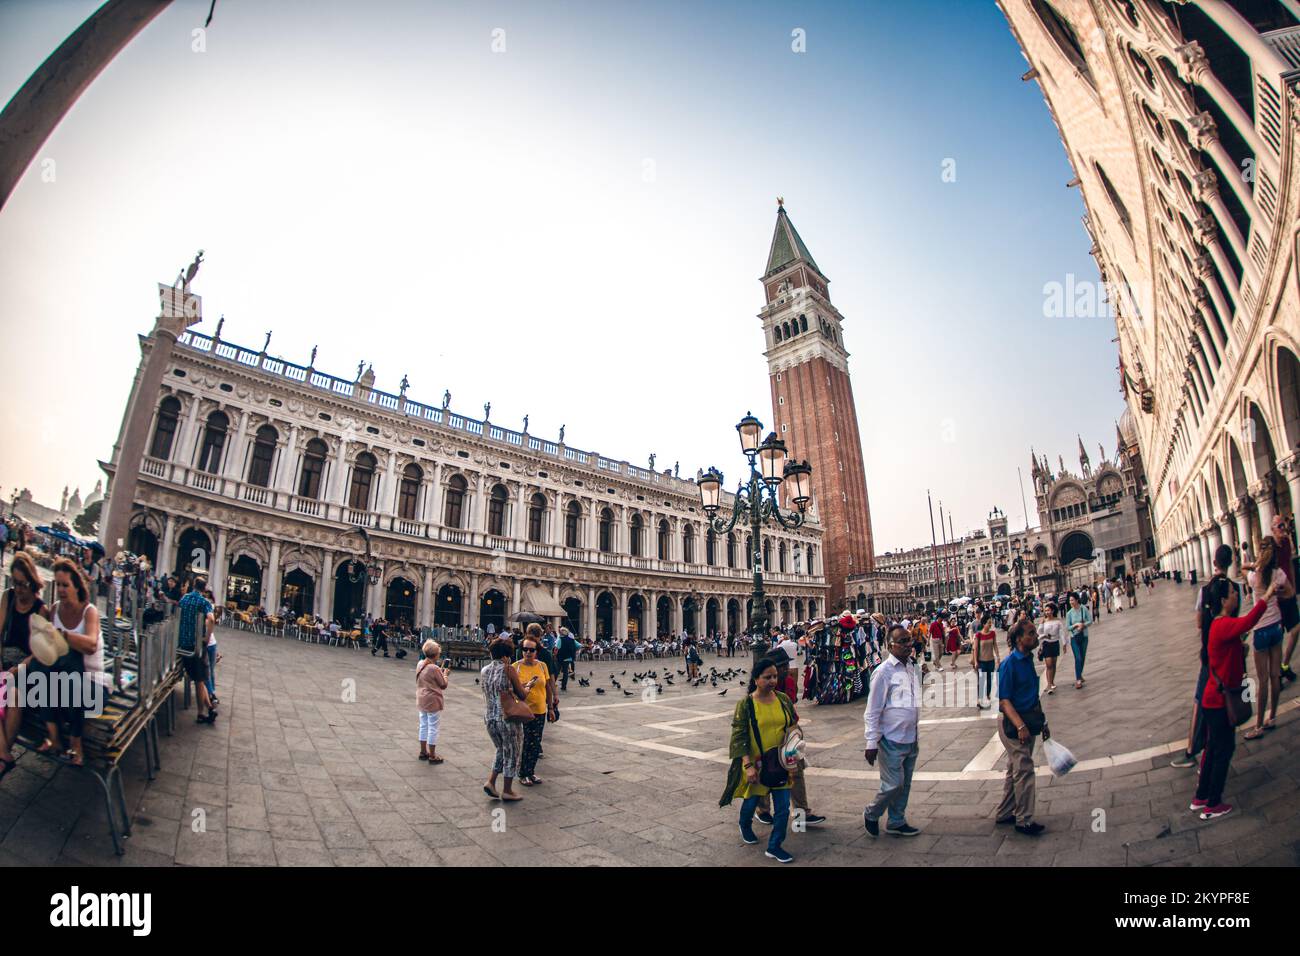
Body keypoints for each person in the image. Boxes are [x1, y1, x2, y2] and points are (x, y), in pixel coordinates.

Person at [1194, 575, 1278, 820]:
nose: (1235, 595)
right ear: (1223, 600)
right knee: (1224, 749)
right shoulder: (1222, 624)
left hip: (1214, 698)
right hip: (1219, 701)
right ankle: (1213, 803)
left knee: (1213, 748)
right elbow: (1250, 620)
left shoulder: (1218, 625)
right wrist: (1268, 593)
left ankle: (1201, 797)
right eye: (1232, 592)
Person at [719, 655, 797, 863]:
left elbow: (792, 727)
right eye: (767, 677)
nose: (772, 681)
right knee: (751, 800)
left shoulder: (783, 699)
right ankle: (744, 824)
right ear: (755, 679)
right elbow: (739, 736)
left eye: (774, 676)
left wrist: (794, 754)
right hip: (757, 763)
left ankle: (775, 846)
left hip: (781, 762)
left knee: (782, 808)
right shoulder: (746, 704)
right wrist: (747, 765)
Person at [1173, 544, 1239, 769]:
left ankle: (1192, 750)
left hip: (1211, 654)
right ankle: (1223, 740)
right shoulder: (1235, 589)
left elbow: (1200, 623)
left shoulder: (1206, 590)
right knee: (1227, 697)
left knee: (1201, 700)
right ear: (1231, 561)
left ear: (1213, 562)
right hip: (1231, 655)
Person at [38, 559, 104, 766]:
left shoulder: (89, 611)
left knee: (71, 660)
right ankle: (54, 738)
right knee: (42, 673)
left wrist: (62, 636)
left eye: (65, 585)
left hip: (92, 682)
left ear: (76, 585)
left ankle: (76, 743)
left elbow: (91, 645)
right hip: (63, 679)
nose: (61, 589)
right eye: (57, 584)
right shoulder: (55, 609)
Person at [862, 624, 922, 837]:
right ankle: (871, 812)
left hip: (910, 736)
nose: (909, 645)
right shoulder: (883, 672)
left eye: (909, 640)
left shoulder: (911, 666)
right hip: (890, 739)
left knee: (904, 785)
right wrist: (871, 743)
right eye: (903, 641)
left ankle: (896, 820)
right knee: (893, 784)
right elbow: (872, 710)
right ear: (890, 646)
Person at [754, 658, 825, 828]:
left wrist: (794, 736)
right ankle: (762, 810)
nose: (787, 668)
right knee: (765, 777)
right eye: (783, 665)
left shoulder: (785, 690)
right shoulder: (752, 700)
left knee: (796, 776)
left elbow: (793, 715)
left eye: (776, 675)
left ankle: (802, 815)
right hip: (765, 746)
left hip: (788, 744)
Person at [996, 615, 1049, 836]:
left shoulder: (1027, 659)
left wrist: (1042, 720)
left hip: (1027, 718)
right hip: (1013, 723)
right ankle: (1024, 820)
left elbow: (1031, 693)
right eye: (1031, 633)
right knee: (1024, 769)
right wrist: (1020, 726)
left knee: (1015, 768)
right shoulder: (1009, 664)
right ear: (1019, 639)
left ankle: (1005, 812)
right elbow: (1004, 700)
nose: (1036, 636)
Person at [0, 552, 49, 777]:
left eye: (23, 584)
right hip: (4, 663)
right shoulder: (7, 598)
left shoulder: (40, 609)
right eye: (15, 583)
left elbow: (38, 651)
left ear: (32, 582)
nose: (18, 589)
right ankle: (4, 756)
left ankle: (3, 756)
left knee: (14, 694)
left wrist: (17, 667)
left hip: (25, 667)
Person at [1244, 537, 1289, 740]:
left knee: (1262, 681)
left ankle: (1259, 726)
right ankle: (1272, 717)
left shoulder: (1256, 576)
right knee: (1274, 675)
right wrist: (1278, 592)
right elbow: (1291, 592)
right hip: (1276, 626)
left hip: (1261, 629)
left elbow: (1243, 568)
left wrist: (1256, 563)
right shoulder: (1278, 574)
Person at [482, 637, 531, 802]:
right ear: (506, 655)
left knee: (500, 749)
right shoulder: (509, 669)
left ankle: (491, 782)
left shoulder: (484, 670)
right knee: (511, 751)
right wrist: (528, 686)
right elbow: (522, 695)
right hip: (507, 719)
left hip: (489, 718)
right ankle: (508, 790)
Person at [513, 625, 555, 786]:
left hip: (540, 710)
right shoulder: (515, 667)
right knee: (525, 742)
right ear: (522, 650)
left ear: (537, 651)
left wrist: (550, 707)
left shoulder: (542, 666)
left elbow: (548, 687)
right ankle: (522, 773)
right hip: (523, 710)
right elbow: (511, 690)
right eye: (525, 650)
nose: (528, 653)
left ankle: (531, 772)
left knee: (535, 744)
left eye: (531, 650)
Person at [178, 576, 217, 724]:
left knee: (199, 680)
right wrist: (207, 637)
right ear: (204, 588)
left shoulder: (184, 599)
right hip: (196, 646)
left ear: (194, 585)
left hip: (183, 643)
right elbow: (211, 619)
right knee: (200, 680)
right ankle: (203, 712)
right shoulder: (204, 602)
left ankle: (207, 710)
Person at [416, 640, 449, 763]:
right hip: (432, 700)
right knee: (433, 727)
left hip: (422, 698)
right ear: (436, 654)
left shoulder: (420, 663)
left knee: (423, 725)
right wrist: (445, 674)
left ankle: (423, 751)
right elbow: (443, 685)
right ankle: (432, 755)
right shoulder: (434, 668)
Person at [1064, 591, 1092, 689]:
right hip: (1074, 637)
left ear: (1076, 600)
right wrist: (1076, 625)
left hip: (1084, 636)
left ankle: (1079, 674)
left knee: (1083, 657)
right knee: (1078, 658)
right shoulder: (1069, 613)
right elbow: (1067, 627)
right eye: (1069, 600)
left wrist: (1083, 625)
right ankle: (1078, 680)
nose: (1070, 602)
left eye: (1072, 600)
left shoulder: (1084, 609)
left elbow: (1090, 620)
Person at [971, 614, 1000, 709]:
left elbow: (995, 645)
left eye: (991, 622)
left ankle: (987, 696)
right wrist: (976, 662)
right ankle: (979, 700)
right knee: (981, 681)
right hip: (981, 662)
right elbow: (975, 649)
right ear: (984, 624)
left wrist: (998, 656)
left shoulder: (992, 634)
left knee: (989, 681)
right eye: (989, 623)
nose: (990, 624)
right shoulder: (978, 635)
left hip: (990, 661)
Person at [1036, 601, 1065, 695]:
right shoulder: (1044, 621)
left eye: (1048, 610)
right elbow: (1039, 633)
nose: (1047, 612)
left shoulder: (1057, 621)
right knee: (1048, 664)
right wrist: (1041, 624)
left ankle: (1052, 682)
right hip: (1046, 644)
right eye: (1045, 611)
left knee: (1053, 664)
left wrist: (1064, 644)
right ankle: (1048, 685)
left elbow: (1062, 633)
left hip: (1055, 643)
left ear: (1052, 611)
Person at [555, 626, 578, 691]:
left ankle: (552, 684)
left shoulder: (560, 639)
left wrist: (554, 655)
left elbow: (556, 648)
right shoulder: (571, 640)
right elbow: (579, 645)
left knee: (556, 671)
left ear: (561, 633)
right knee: (565, 672)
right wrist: (574, 651)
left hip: (560, 658)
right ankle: (564, 686)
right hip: (568, 658)